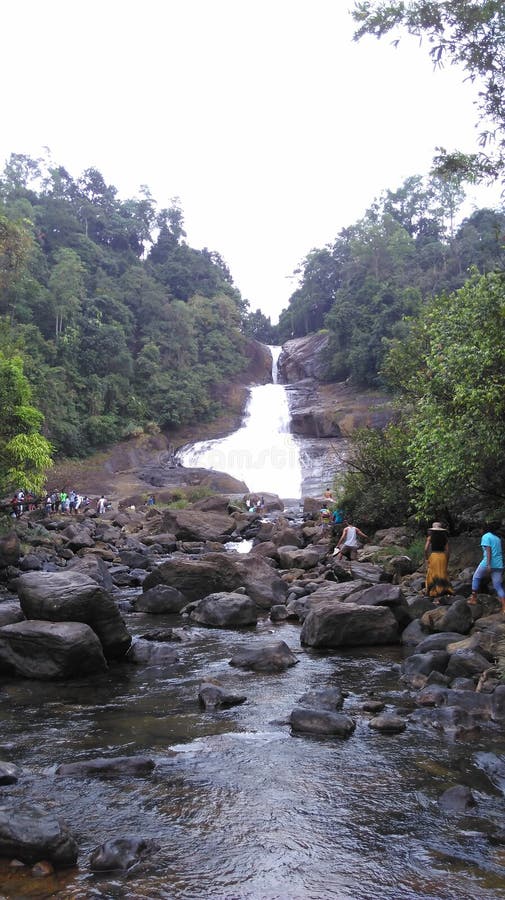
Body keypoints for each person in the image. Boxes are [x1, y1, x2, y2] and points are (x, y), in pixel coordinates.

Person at [468, 523, 505, 611]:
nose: (480, 531)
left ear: (483, 529)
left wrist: (488, 564)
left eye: (480, 529)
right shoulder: (497, 538)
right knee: (497, 585)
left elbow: (488, 550)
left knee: (476, 577)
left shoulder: (486, 536)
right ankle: (504, 607)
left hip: (488, 563)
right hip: (499, 564)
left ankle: (473, 599)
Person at [424, 521, 453, 601]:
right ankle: (443, 590)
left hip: (434, 556)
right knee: (442, 572)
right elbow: (447, 551)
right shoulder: (445, 538)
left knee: (432, 572)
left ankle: (432, 591)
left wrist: (427, 558)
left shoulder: (430, 537)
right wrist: (447, 559)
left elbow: (426, 549)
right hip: (442, 556)